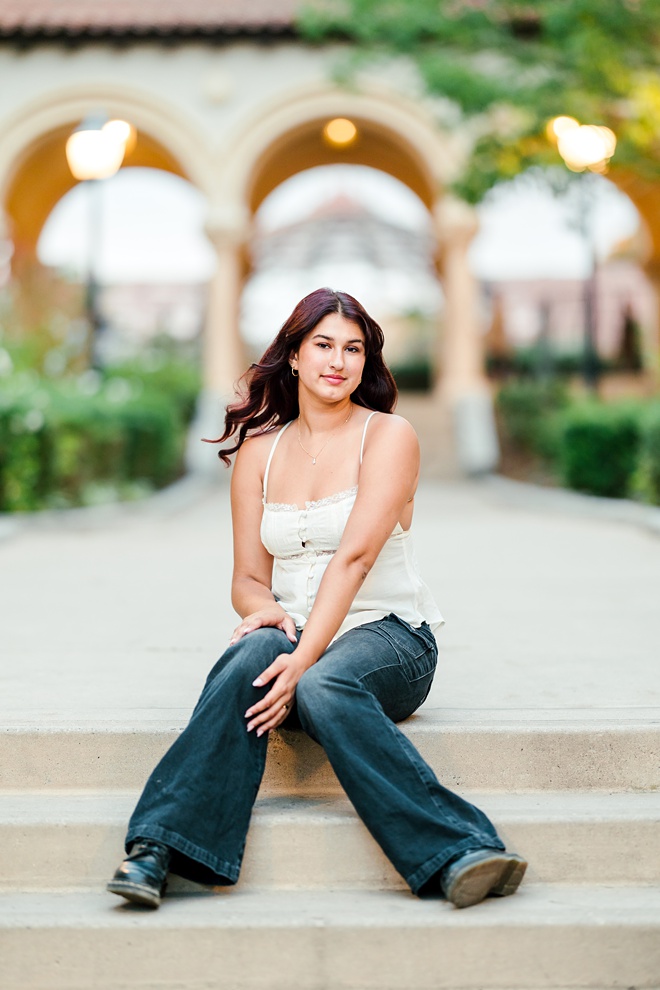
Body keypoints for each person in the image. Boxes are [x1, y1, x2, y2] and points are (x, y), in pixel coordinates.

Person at [107, 288, 526, 910]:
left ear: (366, 362)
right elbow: (247, 577)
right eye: (323, 345)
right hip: (295, 633)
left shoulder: (389, 436)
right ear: (295, 357)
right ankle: (157, 851)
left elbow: (355, 559)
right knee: (253, 653)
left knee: (322, 682)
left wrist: (302, 659)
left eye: (353, 348)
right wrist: (264, 612)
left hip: (388, 637)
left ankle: (462, 849)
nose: (338, 360)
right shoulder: (258, 452)